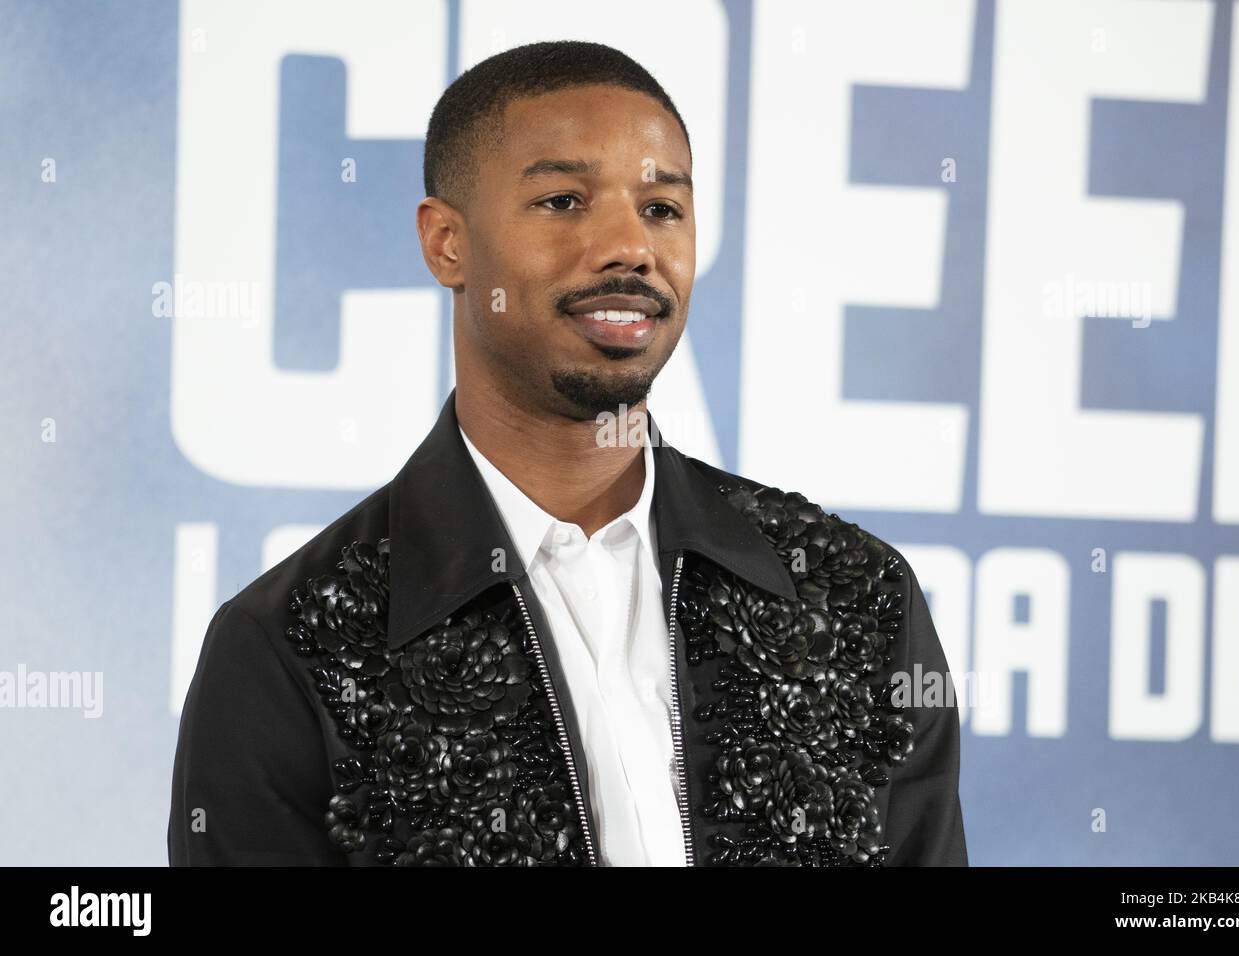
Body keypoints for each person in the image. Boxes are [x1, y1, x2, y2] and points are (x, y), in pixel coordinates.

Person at [167, 39, 968, 867]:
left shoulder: (857, 600)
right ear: (448, 244)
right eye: (562, 201)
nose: (630, 246)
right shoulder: (290, 648)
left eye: (662, 209)